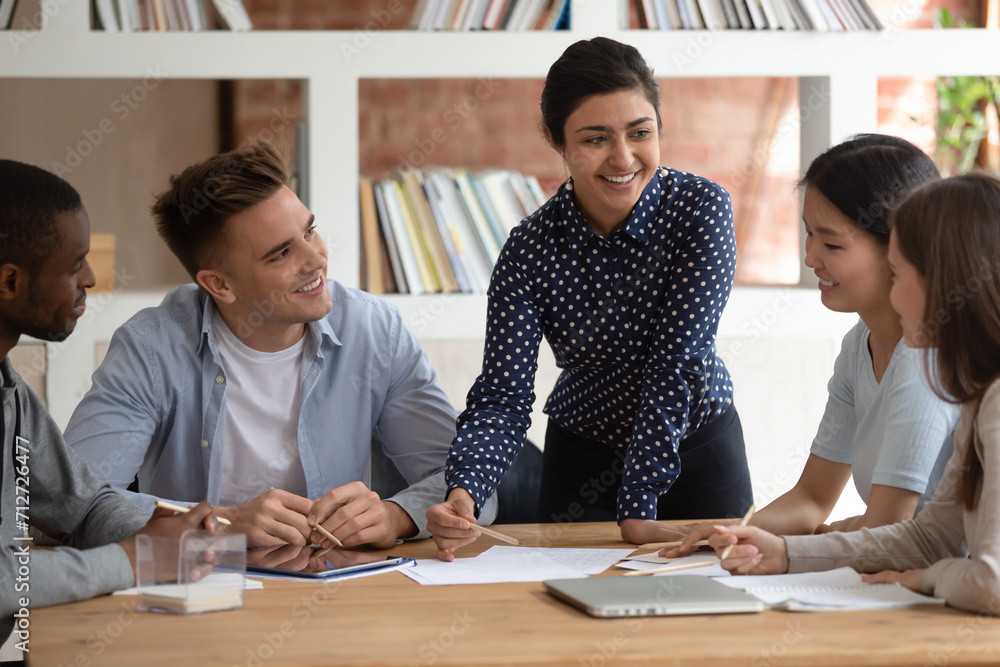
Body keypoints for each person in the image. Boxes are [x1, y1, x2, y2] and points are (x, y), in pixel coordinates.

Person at [65, 143, 495, 550]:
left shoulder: (374, 331)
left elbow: (471, 486)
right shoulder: (151, 348)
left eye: (310, 231)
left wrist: (396, 516)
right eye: (281, 254)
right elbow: (71, 505)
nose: (316, 259)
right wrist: (222, 523)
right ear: (220, 284)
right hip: (200, 592)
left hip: (335, 591)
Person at [426, 36, 753, 560]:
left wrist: (639, 506)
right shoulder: (528, 249)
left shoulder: (700, 210)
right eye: (595, 138)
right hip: (581, 465)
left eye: (640, 133)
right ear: (556, 141)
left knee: (714, 620)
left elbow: (677, 362)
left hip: (698, 454)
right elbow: (502, 396)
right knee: (570, 625)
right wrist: (464, 492)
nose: (623, 158)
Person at [703, 172, 1000, 614]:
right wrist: (785, 553)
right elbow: (930, 536)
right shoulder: (979, 394)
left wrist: (926, 578)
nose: (894, 300)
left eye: (897, 275)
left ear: (945, 282)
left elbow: (989, 582)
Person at [664, 135, 959, 551]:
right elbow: (812, 499)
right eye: (808, 235)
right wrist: (728, 533)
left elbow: (885, 533)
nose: (811, 257)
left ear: (899, 247)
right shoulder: (860, 344)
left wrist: (796, 548)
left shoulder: (923, 358)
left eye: (832, 243)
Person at [0, 159, 225, 646]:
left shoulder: (10, 391)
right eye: (73, 263)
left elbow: (80, 506)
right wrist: (134, 557)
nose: (90, 277)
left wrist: (167, 530)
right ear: (10, 282)